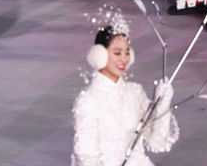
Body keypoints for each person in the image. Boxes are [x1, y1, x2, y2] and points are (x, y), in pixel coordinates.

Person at [72, 24, 179, 166]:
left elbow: (157, 142)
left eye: (127, 52)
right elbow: (87, 157)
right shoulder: (88, 101)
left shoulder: (134, 92)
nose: (124, 59)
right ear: (100, 55)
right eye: (117, 53)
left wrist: (162, 103)